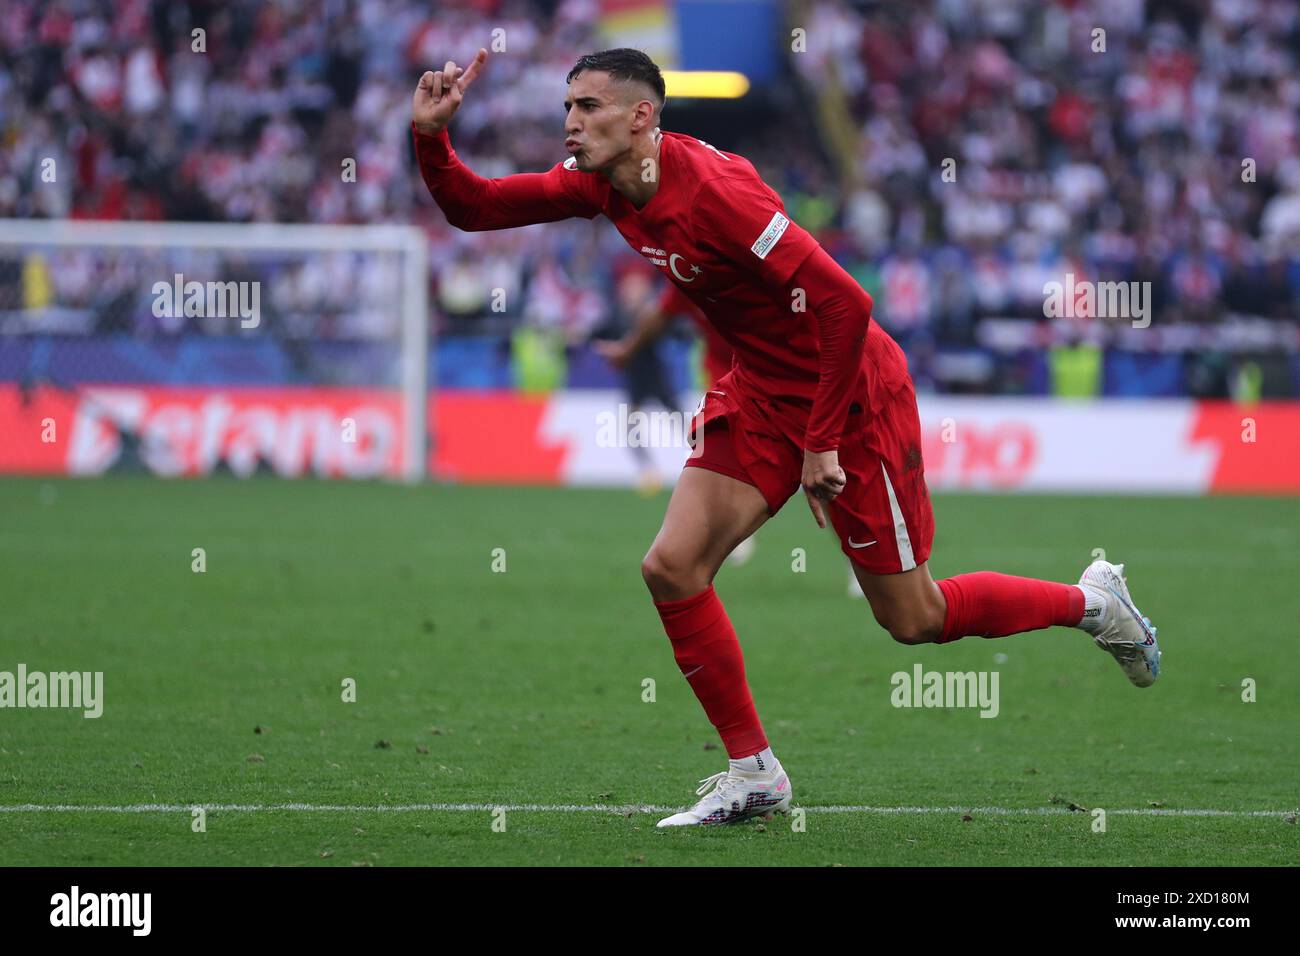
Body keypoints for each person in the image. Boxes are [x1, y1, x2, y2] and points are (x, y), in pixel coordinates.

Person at [411, 47, 1161, 828]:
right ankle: (754, 772)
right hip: (764, 392)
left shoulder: (717, 196)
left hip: (853, 395)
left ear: (641, 117)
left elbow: (846, 305)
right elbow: (474, 206)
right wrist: (431, 137)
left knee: (915, 619)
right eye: (567, 108)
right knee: (672, 566)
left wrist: (822, 440)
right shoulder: (604, 186)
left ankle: (1093, 603)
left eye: (588, 108)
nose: (570, 124)